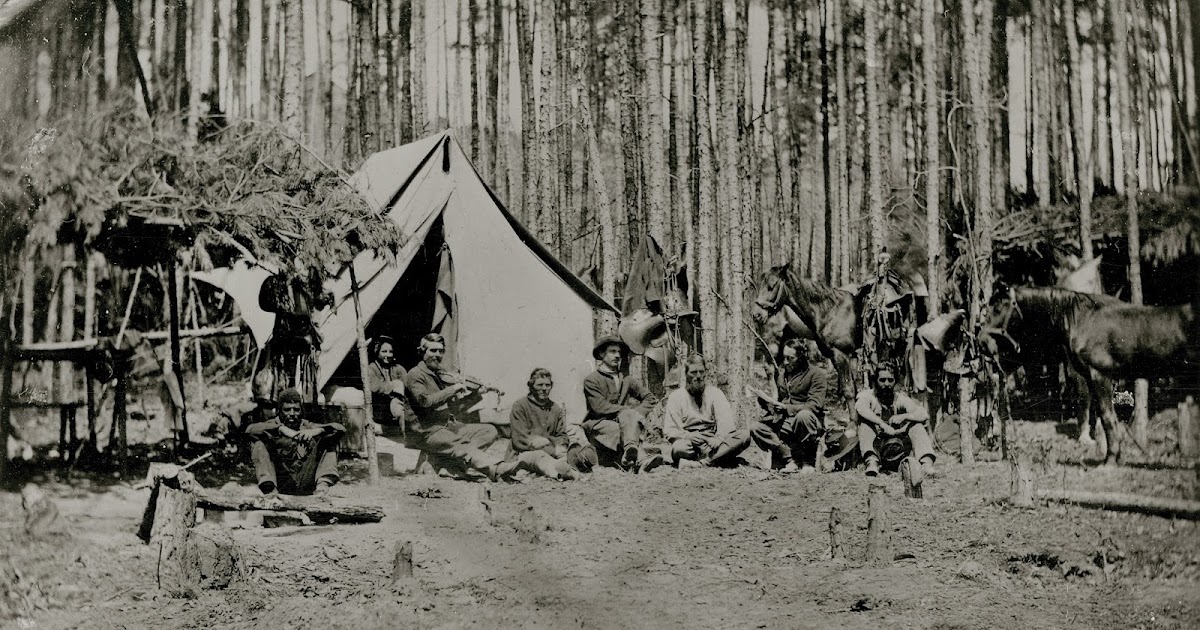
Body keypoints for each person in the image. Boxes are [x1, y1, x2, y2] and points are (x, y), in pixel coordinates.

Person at [405, 333, 517, 481]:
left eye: (441, 351)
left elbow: (454, 408)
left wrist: (477, 395)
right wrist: (452, 389)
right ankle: (495, 468)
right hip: (426, 432)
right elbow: (425, 402)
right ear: (422, 352)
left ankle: (447, 464)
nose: (438, 355)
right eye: (433, 350)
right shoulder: (415, 374)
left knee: (488, 431)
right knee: (461, 443)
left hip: (445, 426)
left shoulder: (438, 374)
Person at [581, 335, 664, 473]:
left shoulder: (626, 379)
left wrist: (635, 414)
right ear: (602, 354)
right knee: (623, 428)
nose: (617, 355)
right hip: (599, 425)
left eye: (619, 352)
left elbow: (650, 398)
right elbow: (599, 407)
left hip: (625, 424)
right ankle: (640, 457)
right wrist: (628, 412)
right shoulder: (591, 380)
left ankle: (636, 458)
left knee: (627, 425)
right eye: (612, 351)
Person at [246, 388, 345, 496]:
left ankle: (322, 489)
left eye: (296, 410)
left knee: (329, 440)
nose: (292, 414)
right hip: (280, 482)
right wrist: (281, 429)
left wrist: (318, 430)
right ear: (279, 411)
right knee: (259, 444)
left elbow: (340, 429)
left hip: (304, 480)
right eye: (287, 410)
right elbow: (249, 430)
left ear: (301, 411)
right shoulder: (271, 425)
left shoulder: (306, 426)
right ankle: (270, 492)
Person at [662, 355, 753, 467]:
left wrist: (718, 438)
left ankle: (701, 463)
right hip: (690, 444)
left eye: (701, 372)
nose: (698, 376)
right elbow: (669, 430)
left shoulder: (715, 393)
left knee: (744, 436)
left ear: (705, 373)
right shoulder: (676, 397)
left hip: (712, 443)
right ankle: (721, 458)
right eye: (694, 372)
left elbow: (726, 423)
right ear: (686, 375)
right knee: (679, 448)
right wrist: (687, 436)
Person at [508, 368, 598, 479]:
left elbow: (563, 437)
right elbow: (520, 440)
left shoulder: (556, 409)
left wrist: (549, 441)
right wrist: (551, 448)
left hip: (552, 453)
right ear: (531, 386)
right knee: (540, 457)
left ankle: (562, 469)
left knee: (572, 456)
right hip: (523, 454)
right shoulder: (520, 406)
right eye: (539, 385)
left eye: (548, 385)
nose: (544, 389)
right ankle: (571, 474)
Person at [758, 338, 830, 473]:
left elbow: (815, 405)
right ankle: (789, 459)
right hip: (785, 420)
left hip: (810, 421)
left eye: (790, 358)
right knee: (757, 427)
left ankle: (807, 461)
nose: (785, 362)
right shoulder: (783, 374)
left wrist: (788, 408)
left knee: (803, 416)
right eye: (784, 358)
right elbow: (782, 399)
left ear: (801, 357)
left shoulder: (816, 375)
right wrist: (767, 404)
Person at [855, 365, 936, 477]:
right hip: (877, 444)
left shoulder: (899, 398)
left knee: (917, 426)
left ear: (895, 382)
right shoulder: (868, 396)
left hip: (897, 445)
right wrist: (881, 423)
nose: (887, 384)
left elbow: (923, 413)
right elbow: (861, 409)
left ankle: (926, 464)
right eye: (882, 380)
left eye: (890, 380)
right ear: (875, 381)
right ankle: (872, 463)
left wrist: (905, 416)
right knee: (865, 425)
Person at [366, 336, 410, 427]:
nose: (389, 355)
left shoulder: (397, 368)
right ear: (377, 352)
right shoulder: (371, 368)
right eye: (384, 351)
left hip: (398, 402)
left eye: (391, 352)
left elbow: (407, 383)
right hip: (380, 407)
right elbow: (375, 387)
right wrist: (393, 386)